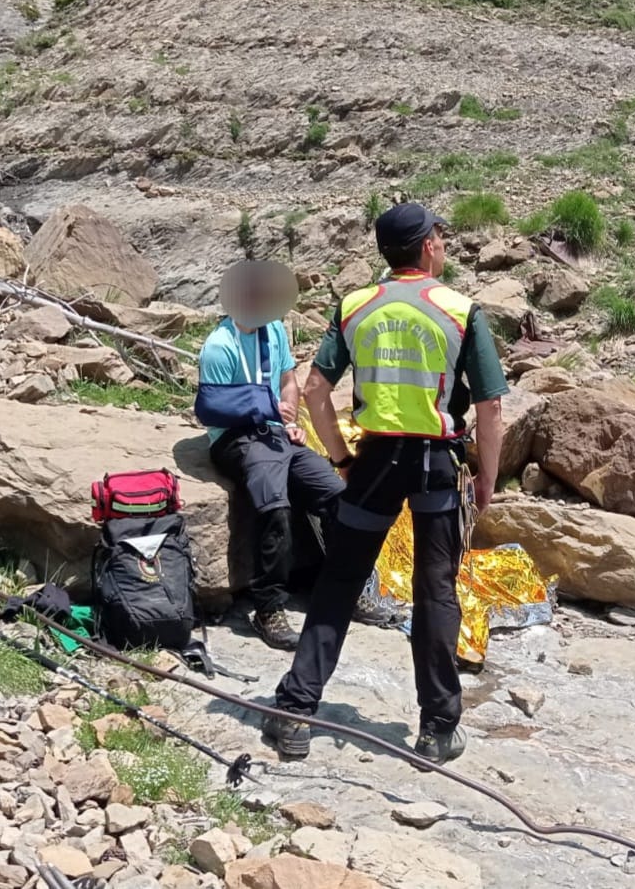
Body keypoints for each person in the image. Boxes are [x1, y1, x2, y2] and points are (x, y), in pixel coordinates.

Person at [265, 202, 507, 765]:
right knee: (435, 589)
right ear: (426, 247)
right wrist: (487, 480)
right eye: (440, 237)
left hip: (374, 463)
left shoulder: (356, 306)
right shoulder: (460, 311)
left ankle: (296, 711)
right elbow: (491, 407)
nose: (443, 245)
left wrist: (340, 458)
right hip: (436, 465)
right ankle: (437, 728)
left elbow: (315, 390)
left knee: (339, 582)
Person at [198, 261, 389, 651]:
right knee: (275, 506)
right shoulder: (219, 347)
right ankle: (267, 607)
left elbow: (288, 381)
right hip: (237, 437)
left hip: (276, 433)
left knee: (336, 495)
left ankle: (343, 588)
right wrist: (266, 411)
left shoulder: (273, 332)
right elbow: (213, 410)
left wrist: (289, 418)